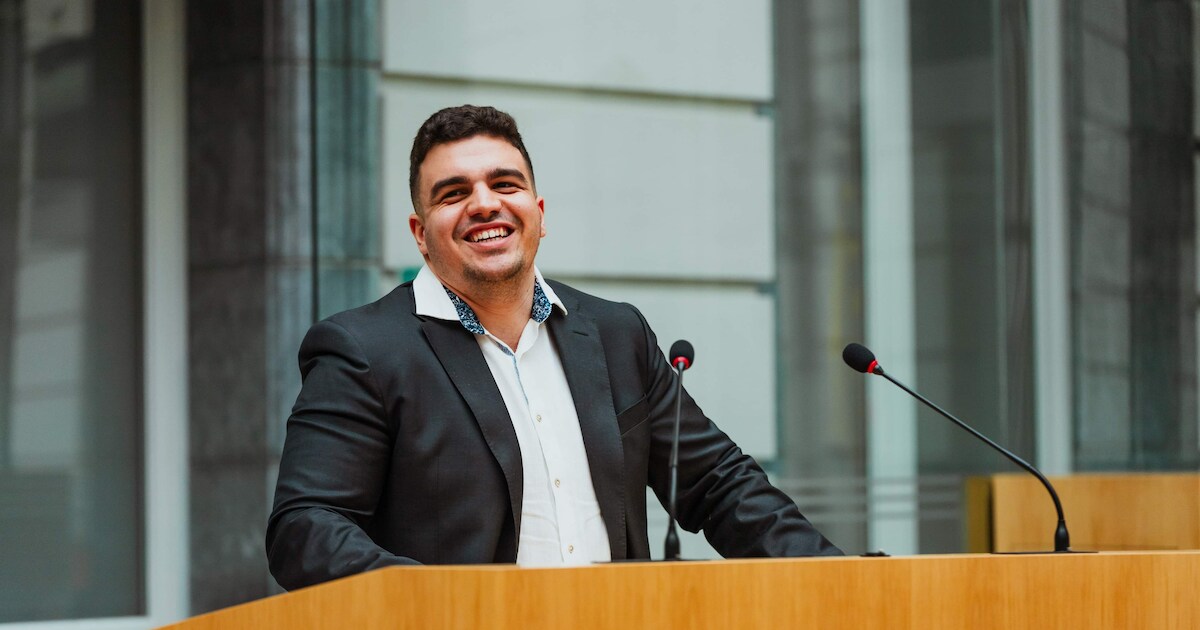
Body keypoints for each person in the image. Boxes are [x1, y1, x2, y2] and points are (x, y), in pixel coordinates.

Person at [266, 105, 841, 591]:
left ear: (538, 216)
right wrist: (439, 607)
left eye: (505, 184)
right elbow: (306, 528)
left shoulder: (617, 334)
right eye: (454, 193)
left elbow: (719, 485)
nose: (484, 204)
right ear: (420, 233)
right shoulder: (363, 350)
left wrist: (839, 583)